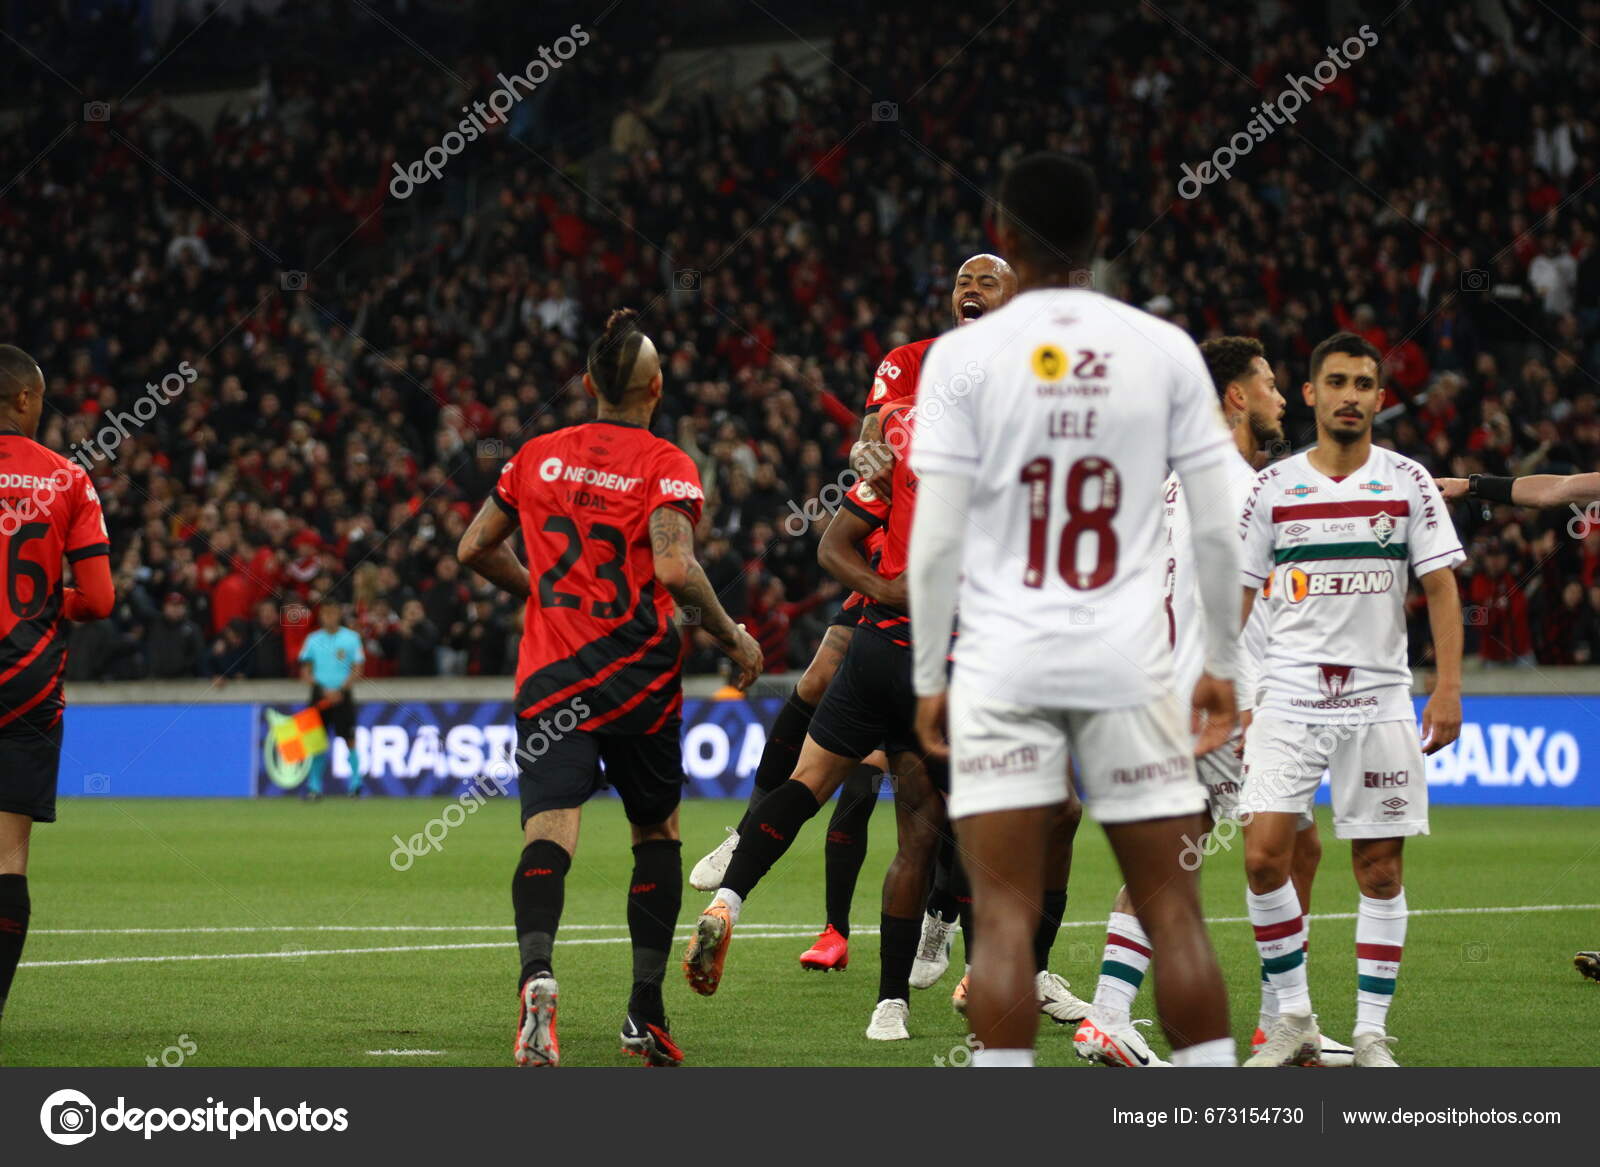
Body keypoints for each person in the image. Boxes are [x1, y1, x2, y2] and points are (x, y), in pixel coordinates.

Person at [907, 152, 1243, 1069]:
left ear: (1006, 244)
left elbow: (933, 541)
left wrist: (932, 675)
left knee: (1005, 915)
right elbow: (1216, 527)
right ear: (1097, 239)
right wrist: (1222, 669)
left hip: (1004, 662)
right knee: (1172, 909)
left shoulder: (963, 356)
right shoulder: (1165, 349)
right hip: (1129, 665)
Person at [687, 254, 1022, 973]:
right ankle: (748, 834)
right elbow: (870, 447)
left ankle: (937, 917)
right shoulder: (907, 362)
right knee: (819, 682)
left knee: (930, 783)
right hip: (893, 555)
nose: (970, 290)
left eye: (987, 281)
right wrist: (879, 463)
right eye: (963, 280)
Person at [458, 308, 761, 1068]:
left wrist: (541, 594)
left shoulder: (535, 456)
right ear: (656, 387)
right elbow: (672, 567)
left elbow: (473, 547)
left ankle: (538, 979)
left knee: (548, 832)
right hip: (640, 680)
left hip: (553, 675)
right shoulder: (666, 463)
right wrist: (732, 635)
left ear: (589, 384)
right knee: (655, 835)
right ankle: (644, 1011)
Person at [1072, 336, 1351, 1067]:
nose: (1283, 398)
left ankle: (1121, 1013)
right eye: (1268, 384)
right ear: (1235, 396)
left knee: (1222, 852)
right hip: (1221, 701)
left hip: (1164, 691)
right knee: (1273, 850)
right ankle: (1279, 1023)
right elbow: (1219, 595)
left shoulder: (1175, 480)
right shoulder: (1234, 485)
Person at [682, 399, 966, 1043]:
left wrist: (889, 591)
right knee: (930, 835)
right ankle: (894, 1002)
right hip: (941, 666)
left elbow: (833, 547)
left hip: (873, 649)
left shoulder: (905, 443)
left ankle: (729, 900)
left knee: (808, 783)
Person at [1237, 332, 1464, 1068]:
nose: (1349, 395)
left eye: (1364, 383)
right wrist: (1215, 684)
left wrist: (1449, 685)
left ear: (1379, 396)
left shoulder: (1409, 480)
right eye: (1335, 381)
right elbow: (1236, 597)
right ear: (1310, 393)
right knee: (1264, 856)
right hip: (1291, 695)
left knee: (1381, 869)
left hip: (1380, 699)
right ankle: (1296, 1015)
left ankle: (1370, 1031)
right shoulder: (1274, 488)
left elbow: (1440, 586)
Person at [0, 345, 115, 1037]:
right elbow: (98, 599)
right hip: (27, 687)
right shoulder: (68, 479)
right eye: (41, 397)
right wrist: (47, 602)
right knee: (7, 857)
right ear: (20, 400)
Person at [297, 599, 365, 799]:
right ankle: (314, 787)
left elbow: (358, 669)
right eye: (326, 614)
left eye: (333, 613)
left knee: (349, 739)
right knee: (316, 742)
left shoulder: (351, 638)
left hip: (342, 696)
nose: (330, 617)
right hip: (320, 696)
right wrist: (322, 689)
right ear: (321, 616)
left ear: (339, 614)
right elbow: (305, 671)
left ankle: (355, 784)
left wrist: (340, 690)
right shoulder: (313, 639)